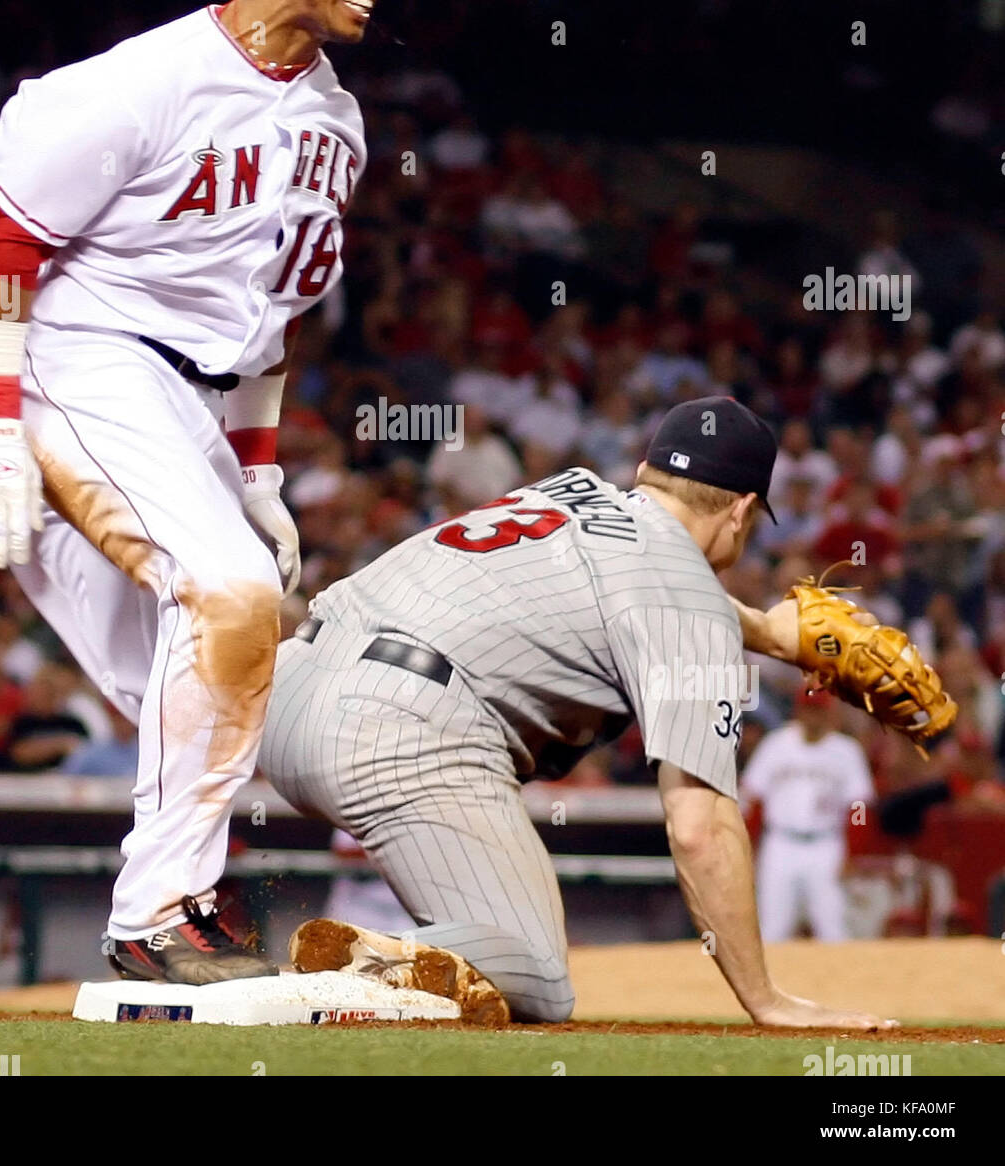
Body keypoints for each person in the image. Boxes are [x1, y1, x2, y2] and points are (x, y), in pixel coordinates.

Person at [0, 0, 434, 982]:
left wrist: (254, 471)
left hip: (192, 404)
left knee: (224, 679)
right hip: (90, 354)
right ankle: (157, 912)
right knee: (229, 595)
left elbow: (275, 314)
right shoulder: (135, 83)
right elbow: (0, 248)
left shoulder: (336, 121)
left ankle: (65, 505)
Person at [261, 397, 896, 1028]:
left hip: (285, 686)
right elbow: (699, 828)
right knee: (537, 977)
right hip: (394, 730)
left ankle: (172, 924)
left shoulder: (572, 490)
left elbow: (644, 583)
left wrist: (763, 630)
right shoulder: (688, 600)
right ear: (743, 511)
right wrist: (766, 1000)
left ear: (648, 472)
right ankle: (361, 971)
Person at [739, 688, 875, 942]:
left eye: (818, 710)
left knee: (832, 928)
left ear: (829, 713)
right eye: (808, 709)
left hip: (826, 846)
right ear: (798, 711)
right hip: (780, 843)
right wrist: (749, 848)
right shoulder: (776, 745)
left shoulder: (846, 751)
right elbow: (754, 800)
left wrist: (853, 852)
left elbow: (858, 808)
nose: (813, 716)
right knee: (773, 928)